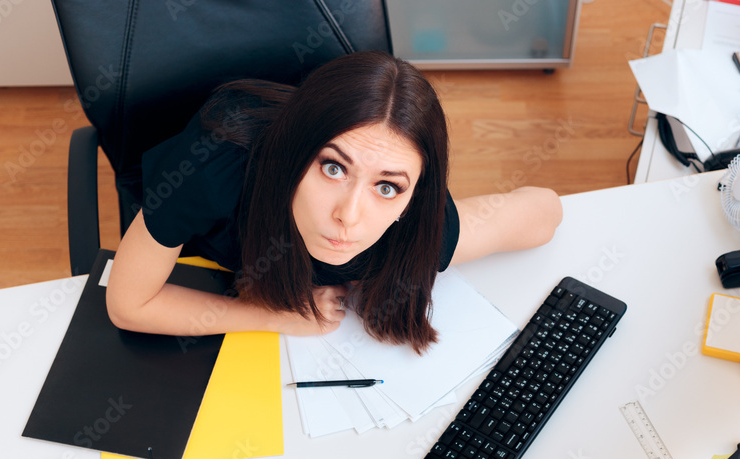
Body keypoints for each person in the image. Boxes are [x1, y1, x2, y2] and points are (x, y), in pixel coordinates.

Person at [106, 51, 562, 353]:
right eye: (333, 168)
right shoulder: (213, 165)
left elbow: (545, 212)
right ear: (293, 156)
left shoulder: (415, 225)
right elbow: (128, 306)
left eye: (387, 187)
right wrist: (270, 317)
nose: (349, 215)